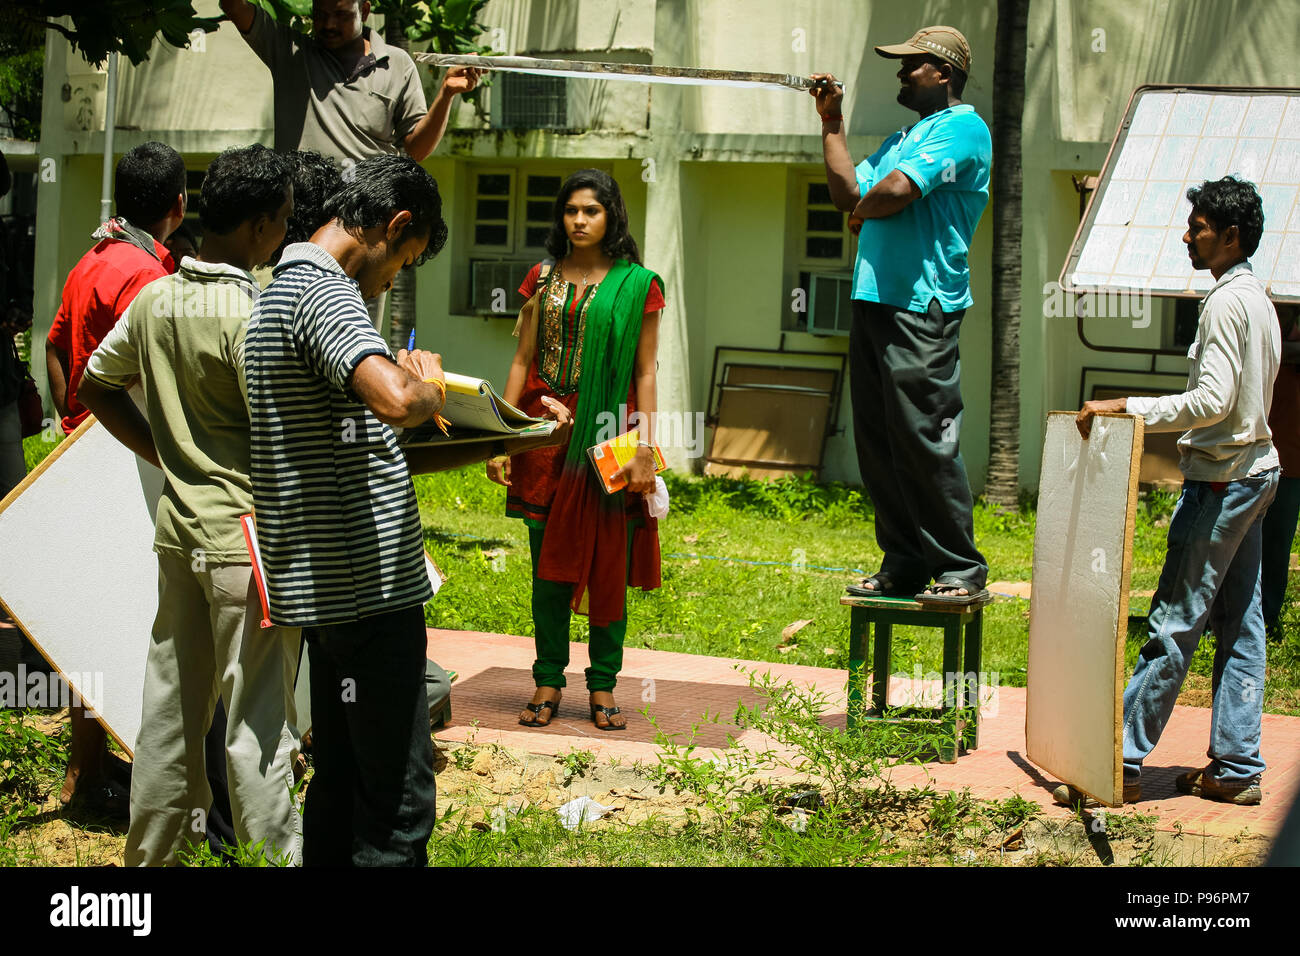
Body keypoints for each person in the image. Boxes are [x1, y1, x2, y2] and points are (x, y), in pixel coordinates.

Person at [244, 154, 569, 866]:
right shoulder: (324, 295)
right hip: (369, 592)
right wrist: (420, 380)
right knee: (395, 798)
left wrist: (526, 434)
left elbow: (376, 445)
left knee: (341, 781)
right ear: (393, 226)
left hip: (327, 592)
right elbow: (397, 403)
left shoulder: (274, 294)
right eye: (406, 261)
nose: (394, 280)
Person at [78, 144, 303, 864]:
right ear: (264, 227)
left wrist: (163, 452)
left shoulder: (157, 297)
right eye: (285, 224)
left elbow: (92, 384)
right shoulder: (253, 313)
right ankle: (275, 859)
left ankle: (148, 866)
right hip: (247, 538)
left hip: (180, 530)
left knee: (170, 716)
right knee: (258, 726)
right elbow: (279, 433)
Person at [1072, 176, 1280, 807]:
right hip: (1257, 472)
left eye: (1199, 227)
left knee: (1174, 621)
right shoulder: (1260, 300)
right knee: (1241, 622)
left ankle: (1119, 761)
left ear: (1231, 236)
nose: (1187, 236)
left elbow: (1212, 401)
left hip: (1222, 480)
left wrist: (1123, 405)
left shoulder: (1223, 303)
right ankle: (1237, 769)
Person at [810, 25, 991, 605]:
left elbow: (893, 193)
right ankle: (907, 560)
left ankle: (960, 569)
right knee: (880, 438)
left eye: (911, 64)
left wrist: (866, 213)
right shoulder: (903, 137)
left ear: (943, 73)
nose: (900, 72)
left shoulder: (964, 128)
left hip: (922, 306)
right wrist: (831, 123)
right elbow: (849, 193)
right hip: (874, 302)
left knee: (925, 437)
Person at [486, 169, 663, 732]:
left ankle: (604, 684)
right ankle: (547, 678)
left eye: (592, 210)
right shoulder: (541, 278)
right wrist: (502, 437)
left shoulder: (640, 284)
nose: (580, 220)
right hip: (540, 436)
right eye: (571, 211)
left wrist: (645, 450)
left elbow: (646, 371)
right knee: (549, 567)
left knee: (608, 557)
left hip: (612, 434)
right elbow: (521, 361)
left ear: (611, 216)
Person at [44, 141, 187, 818]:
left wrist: (71, 422)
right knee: (137, 619)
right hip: (125, 462)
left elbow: (55, 344)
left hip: (84, 453)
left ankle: (89, 767)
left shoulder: (90, 259)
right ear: (178, 207)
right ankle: (102, 773)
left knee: (90, 617)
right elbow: (144, 372)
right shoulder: (147, 275)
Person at [218, 0, 481, 165]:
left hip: (367, 219)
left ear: (364, 10)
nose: (329, 24)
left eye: (341, 14)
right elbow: (233, 5)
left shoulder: (397, 63)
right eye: (320, 14)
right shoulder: (290, 52)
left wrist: (446, 94)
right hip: (300, 217)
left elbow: (416, 150)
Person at [1261, 303, 1300, 638]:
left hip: (1292, 466)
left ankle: (1268, 617)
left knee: (1276, 547)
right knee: (1243, 543)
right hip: (1259, 458)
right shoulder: (1263, 335)